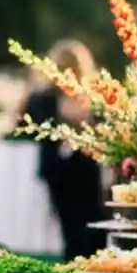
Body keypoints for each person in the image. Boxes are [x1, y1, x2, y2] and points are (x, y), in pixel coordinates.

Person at [23, 40, 107, 261]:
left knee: (86, 225)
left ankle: (85, 264)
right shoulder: (44, 99)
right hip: (63, 169)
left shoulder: (92, 98)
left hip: (82, 167)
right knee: (76, 225)